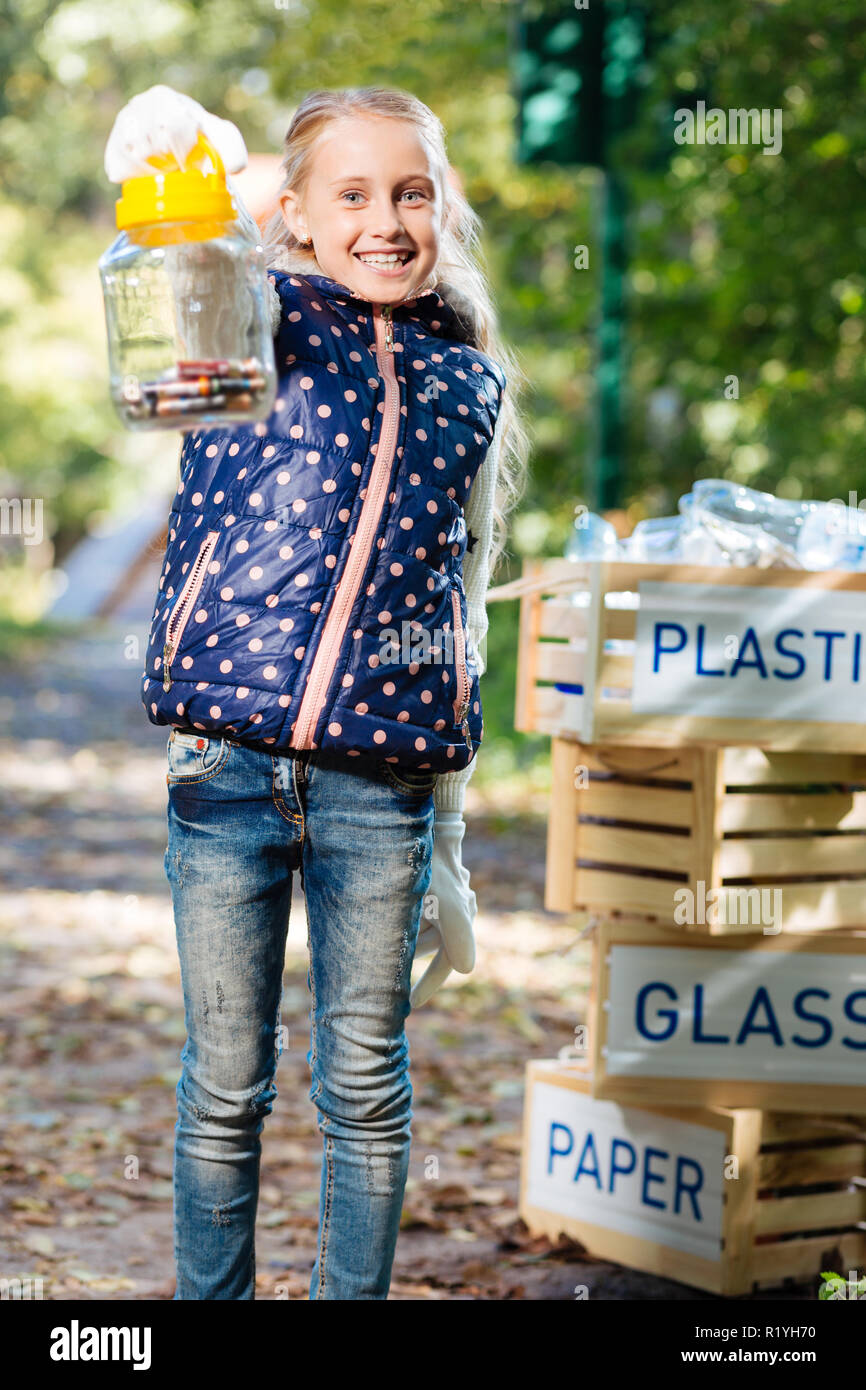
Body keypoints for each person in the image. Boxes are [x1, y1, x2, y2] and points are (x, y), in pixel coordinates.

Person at [104, 82, 529, 1300]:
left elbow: (460, 609)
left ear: (443, 209)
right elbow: (156, 309)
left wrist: (447, 832)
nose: (386, 219)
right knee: (224, 1079)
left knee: (366, 1084)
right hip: (225, 767)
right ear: (295, 214)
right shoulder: (252, 315)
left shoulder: (468, 381)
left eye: (411, 193)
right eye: (350, 194)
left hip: (381, 782)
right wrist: (225, 197)